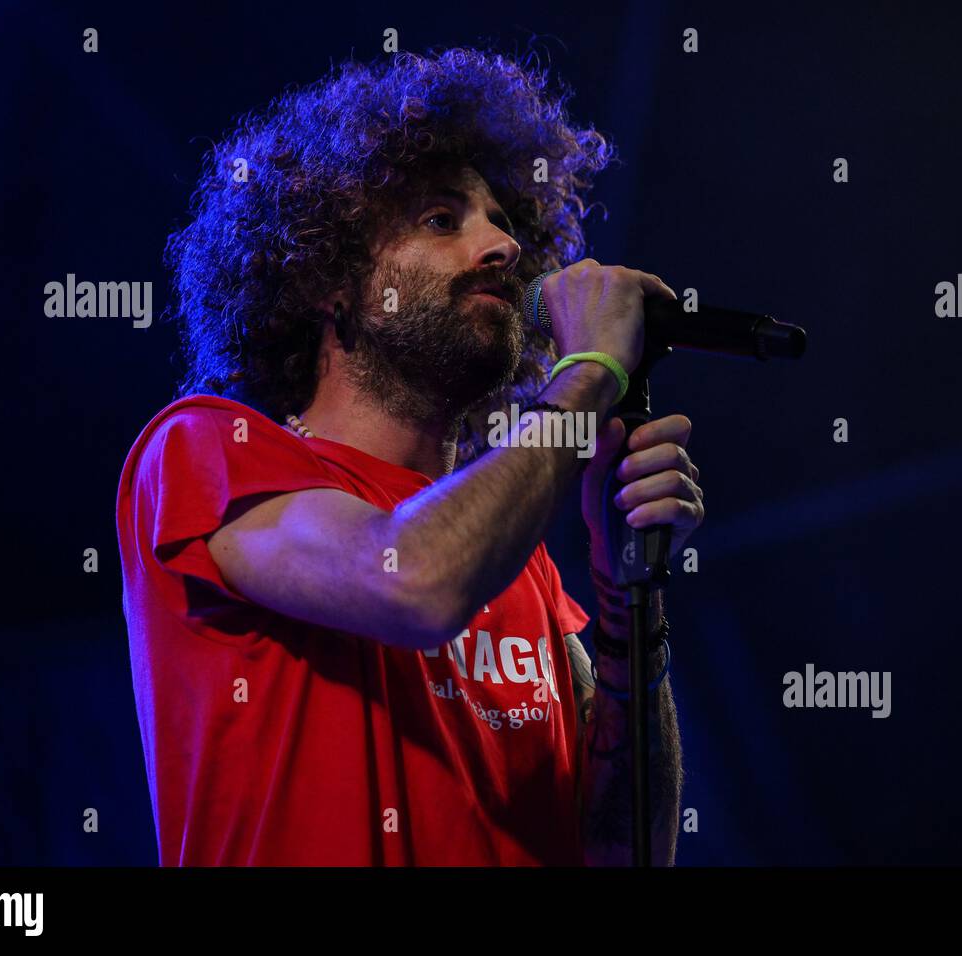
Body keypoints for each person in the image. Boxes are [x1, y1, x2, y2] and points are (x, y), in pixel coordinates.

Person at [115, 48, 704, 866]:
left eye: (505, 223)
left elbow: (626, 855)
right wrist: (591, 372)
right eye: (442, 219)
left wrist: (623, 601)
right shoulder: (209, 450)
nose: (500, 244)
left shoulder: (521, 570)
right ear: (329, 280)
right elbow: (415, 580)